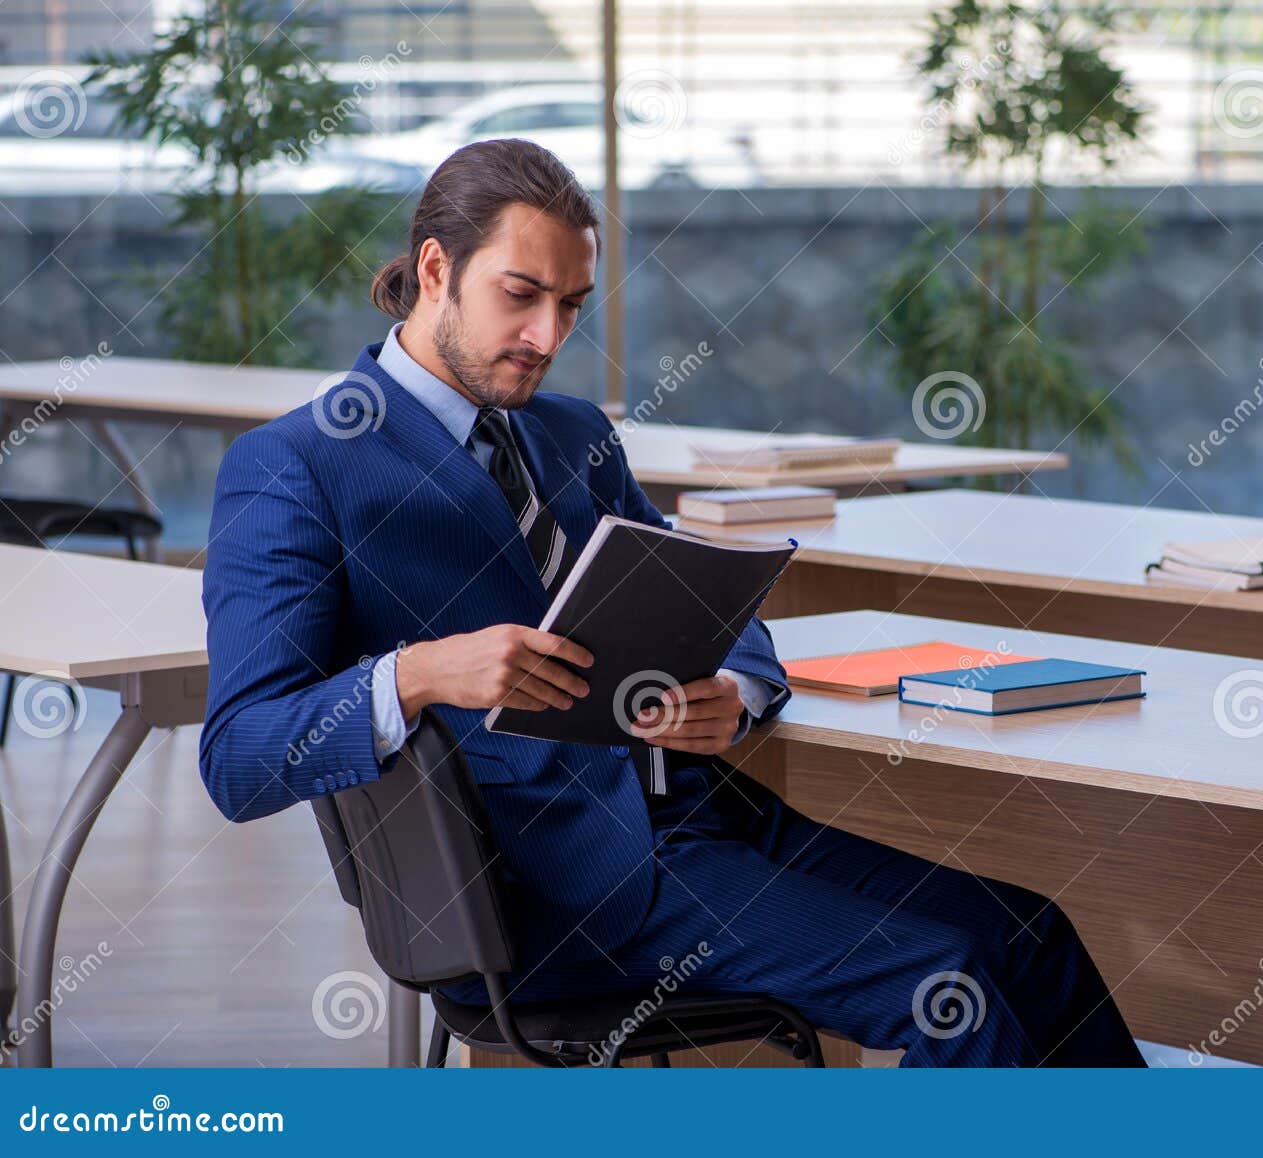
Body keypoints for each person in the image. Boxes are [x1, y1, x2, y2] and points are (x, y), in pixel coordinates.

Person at [199, 138, 1143, 1067]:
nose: (548, 339)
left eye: (571, 306)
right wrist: (417, 674)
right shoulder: (299, 465)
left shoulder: (569, 434)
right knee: (955, 989)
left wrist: (737, 685)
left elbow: (717, 603)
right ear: (436, 269)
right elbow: (239, 756)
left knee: (1032, 937)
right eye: (520, 297)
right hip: (554, 894)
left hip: (705, 822)